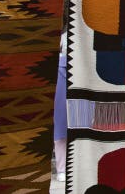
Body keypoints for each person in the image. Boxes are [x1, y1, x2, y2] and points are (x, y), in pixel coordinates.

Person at [54, 32, 68, 182]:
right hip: (61, 71)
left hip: (83, 74)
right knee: (61, 121)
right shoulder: (63, 35)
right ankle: (62, 167)